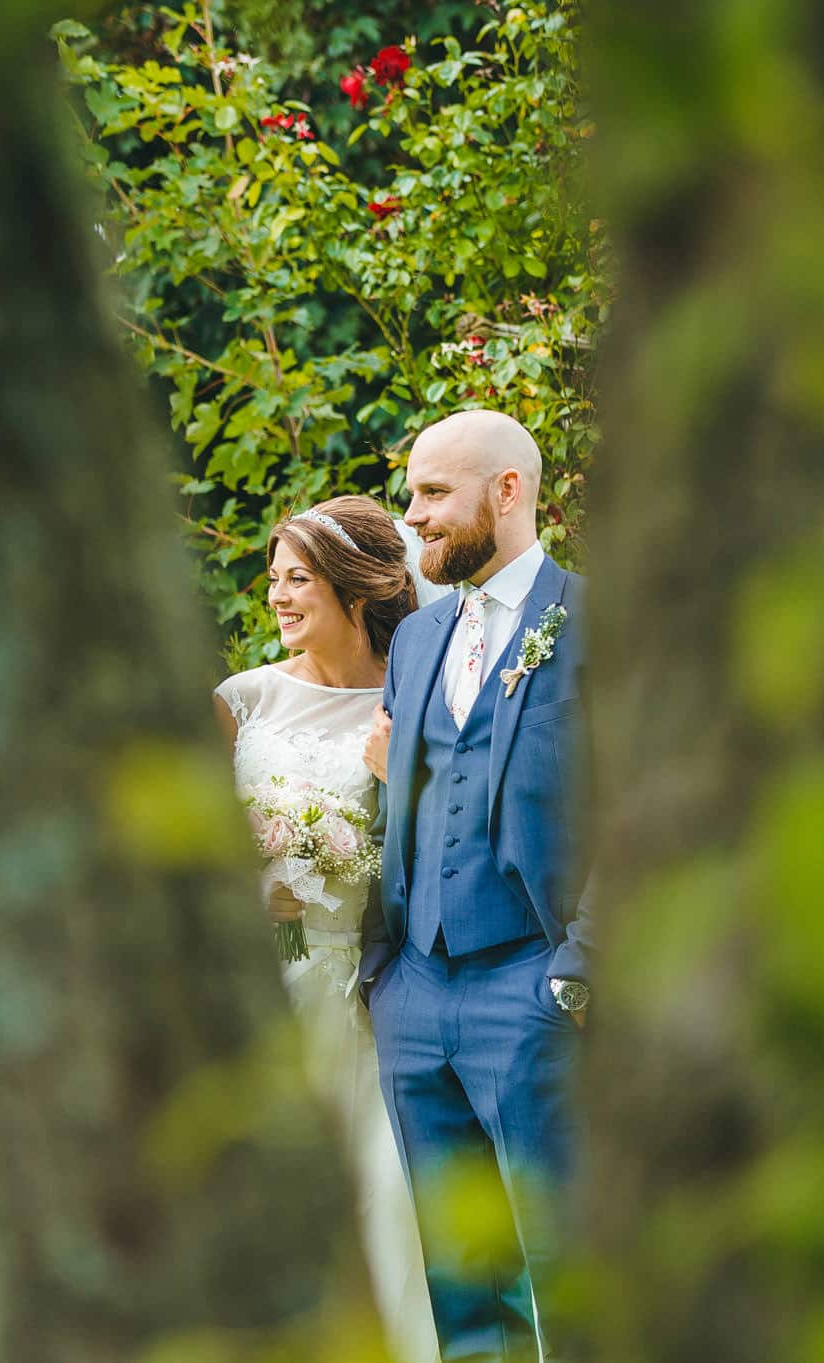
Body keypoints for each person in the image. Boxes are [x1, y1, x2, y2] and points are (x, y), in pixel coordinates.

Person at [358, 410, 592, 1362]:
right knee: (461, 1281)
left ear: (509, 492)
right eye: (412, 491)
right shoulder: (415, 644)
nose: (412, 516)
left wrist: (579, 974)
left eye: (433, 493)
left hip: (535, 986)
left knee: (567, 1267)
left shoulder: (596, 625)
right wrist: (383, 974)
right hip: (416, 991)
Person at [212, 495, 439, 1363]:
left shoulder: (413, 708)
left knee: (384, 1209)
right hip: (265, 985)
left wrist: (404, 779)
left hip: (368, 999)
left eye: (297, 578)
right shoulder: (244, 699)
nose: (276, 596)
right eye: (272, 578)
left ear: (356, 592)